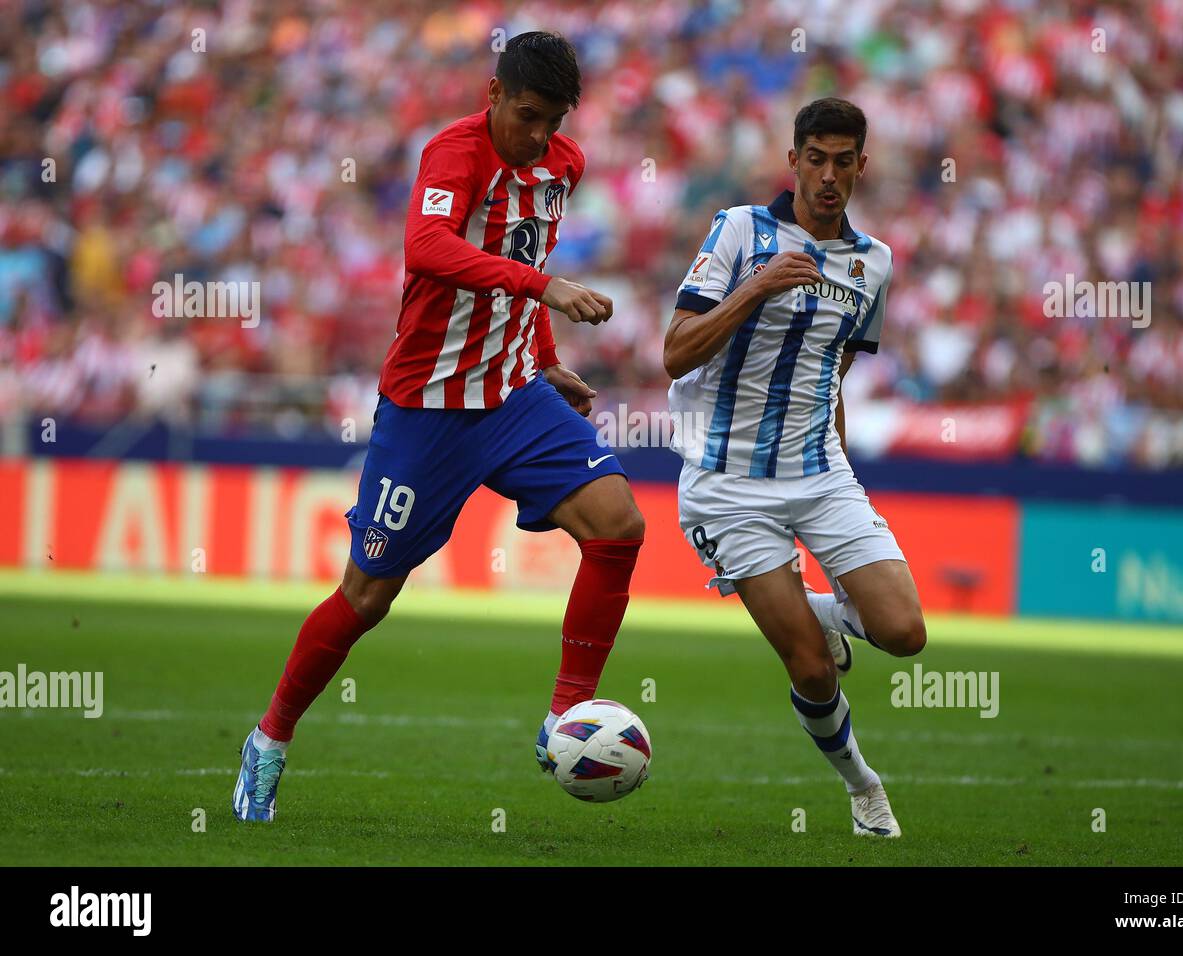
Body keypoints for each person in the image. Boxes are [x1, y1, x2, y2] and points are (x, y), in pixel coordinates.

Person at [234, 32, 644, 822]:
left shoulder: (564, 164)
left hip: (514, 394)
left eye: (552, 121)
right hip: (427, 408)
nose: (538, 136)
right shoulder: (453, 154)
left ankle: (567, 718)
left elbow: (525, 255)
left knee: (619, 526)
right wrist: (546, 289)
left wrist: (545, 354)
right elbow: (427, 248)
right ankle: (270, 739)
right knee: (367, 595)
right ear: (493, 95)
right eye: (527, 116)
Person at [662, 97, 927, 837]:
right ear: (795, 160)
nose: (829, 175)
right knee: (811, 669)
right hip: (728, 484)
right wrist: (757, 286)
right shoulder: (741, 230)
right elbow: (675, 350)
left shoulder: (874, 263)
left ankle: (810, 606)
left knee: (906, 633)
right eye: (817, 159)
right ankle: (864, 786)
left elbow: (833, 370)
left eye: (845, 161)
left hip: (820, 476)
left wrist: (839, 464)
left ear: (861, 167)